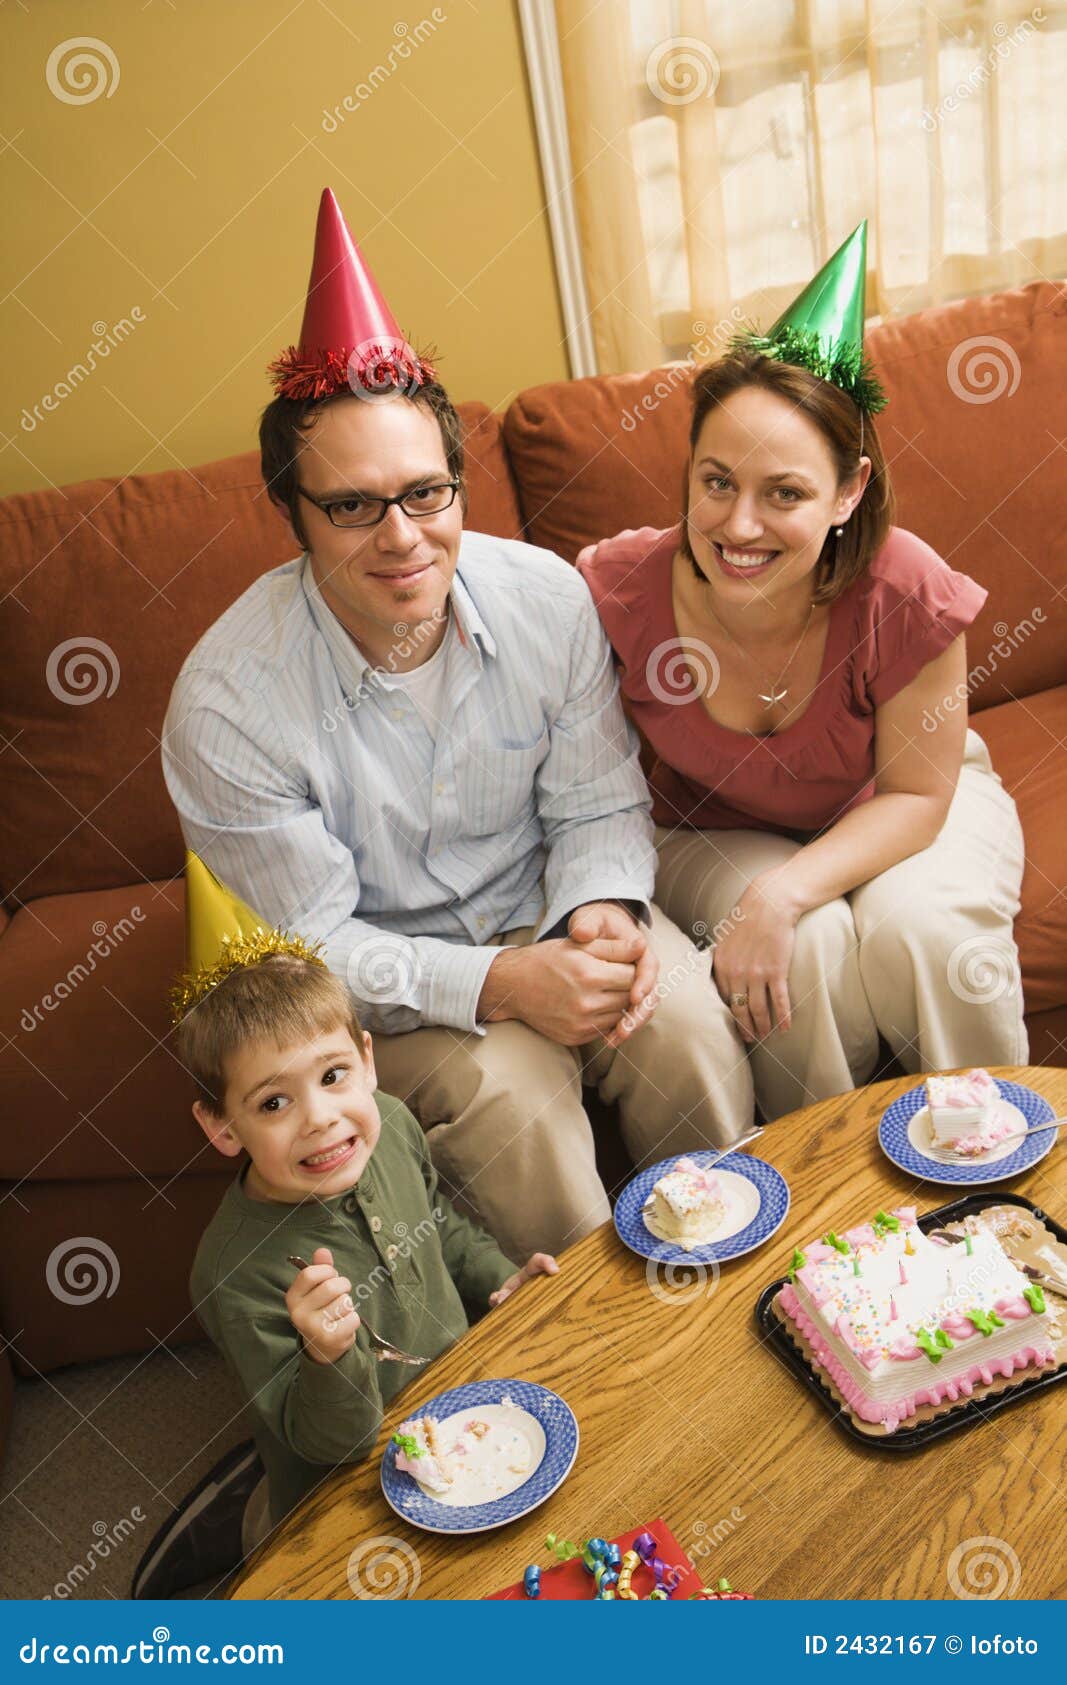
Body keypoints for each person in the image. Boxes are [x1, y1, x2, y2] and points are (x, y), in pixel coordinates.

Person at [161, 188, 754, 1266]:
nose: (402, 539)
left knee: (692, 1028)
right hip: (400, 990)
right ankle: (605, 1360)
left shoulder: (546, 598)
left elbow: (599, 802)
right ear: (288, 509)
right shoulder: (225, 705)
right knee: (516, 1105)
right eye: (352, 506)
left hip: (547, 914)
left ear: (457, 483)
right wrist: (497, 987)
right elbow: (308, 954)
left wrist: (602, 918)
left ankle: (747, 1280)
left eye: (426, 494)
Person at [578, 223, 1027, 1123]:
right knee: (804, 947)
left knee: (927, 936)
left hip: (898, 800)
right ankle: (821, 1211)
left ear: (847, 492)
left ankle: (1006, 1181)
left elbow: (915, 795)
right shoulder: (613, 590)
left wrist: (784, 889)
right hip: (714, 826)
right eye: (715, 483)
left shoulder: (906, 587)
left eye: (783, 493)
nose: (738, 526)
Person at [132, 851, 554, 1598]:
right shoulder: (235, 1273)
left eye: (331, 1078)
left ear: (366, 1060)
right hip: (346, 1483)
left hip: (465, 1417)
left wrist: (500, 1284)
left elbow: (442, 1229)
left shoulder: (388, 1123)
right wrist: (327, 1358)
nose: (321, 1119)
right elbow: (330, 1439)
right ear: (222, 1127)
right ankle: (255, 1519)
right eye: (272, 1103)